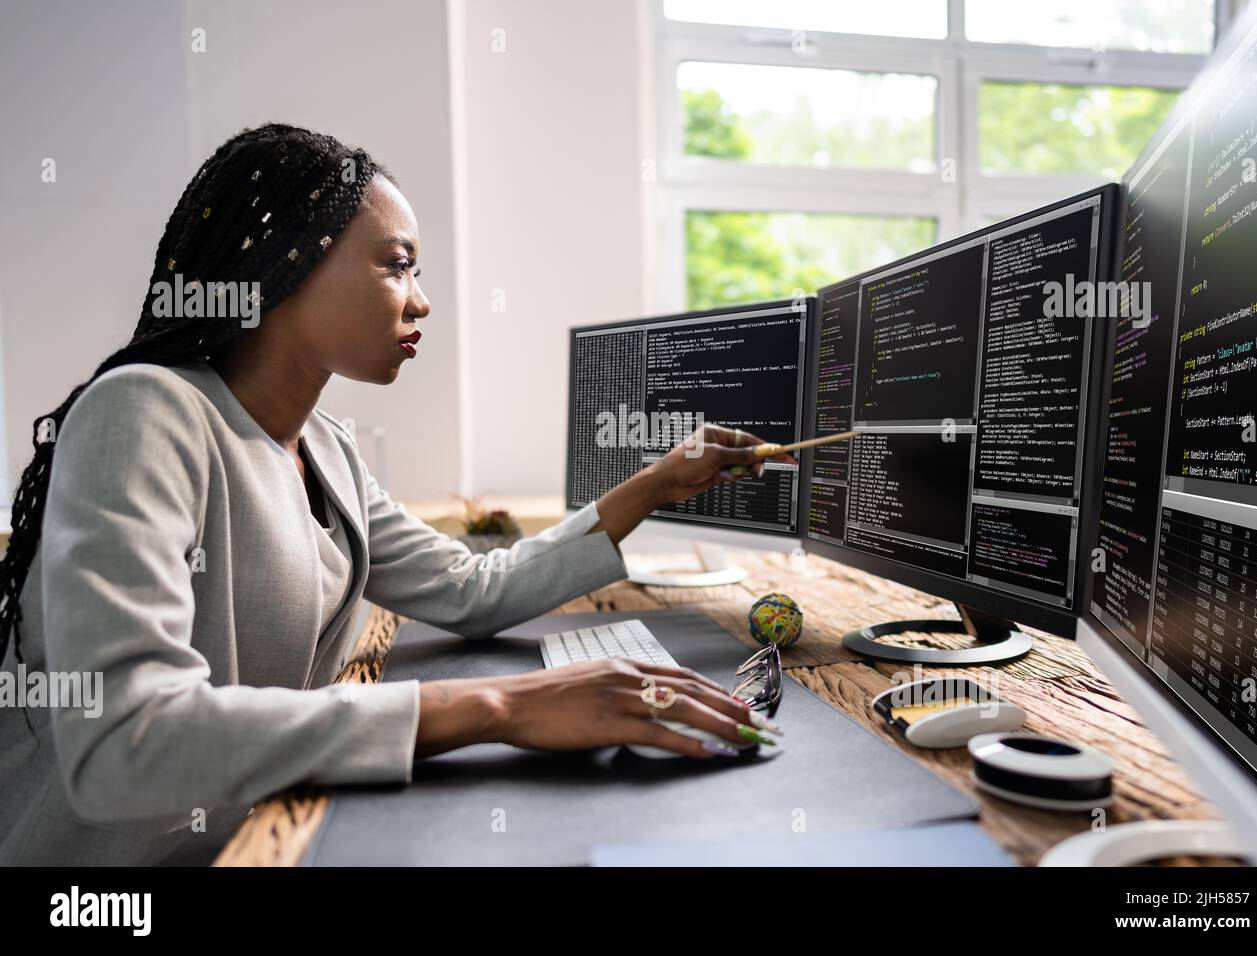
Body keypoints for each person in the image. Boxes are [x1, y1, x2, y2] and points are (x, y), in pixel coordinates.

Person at [0, 123, 794, 865]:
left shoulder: (329, 451)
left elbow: (471, 590)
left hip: (259, 838)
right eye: (396, 264)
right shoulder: (146, 409)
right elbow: (123, 741)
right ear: (289, 260)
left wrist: (658, 481)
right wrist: (501, 706)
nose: (419, 301)